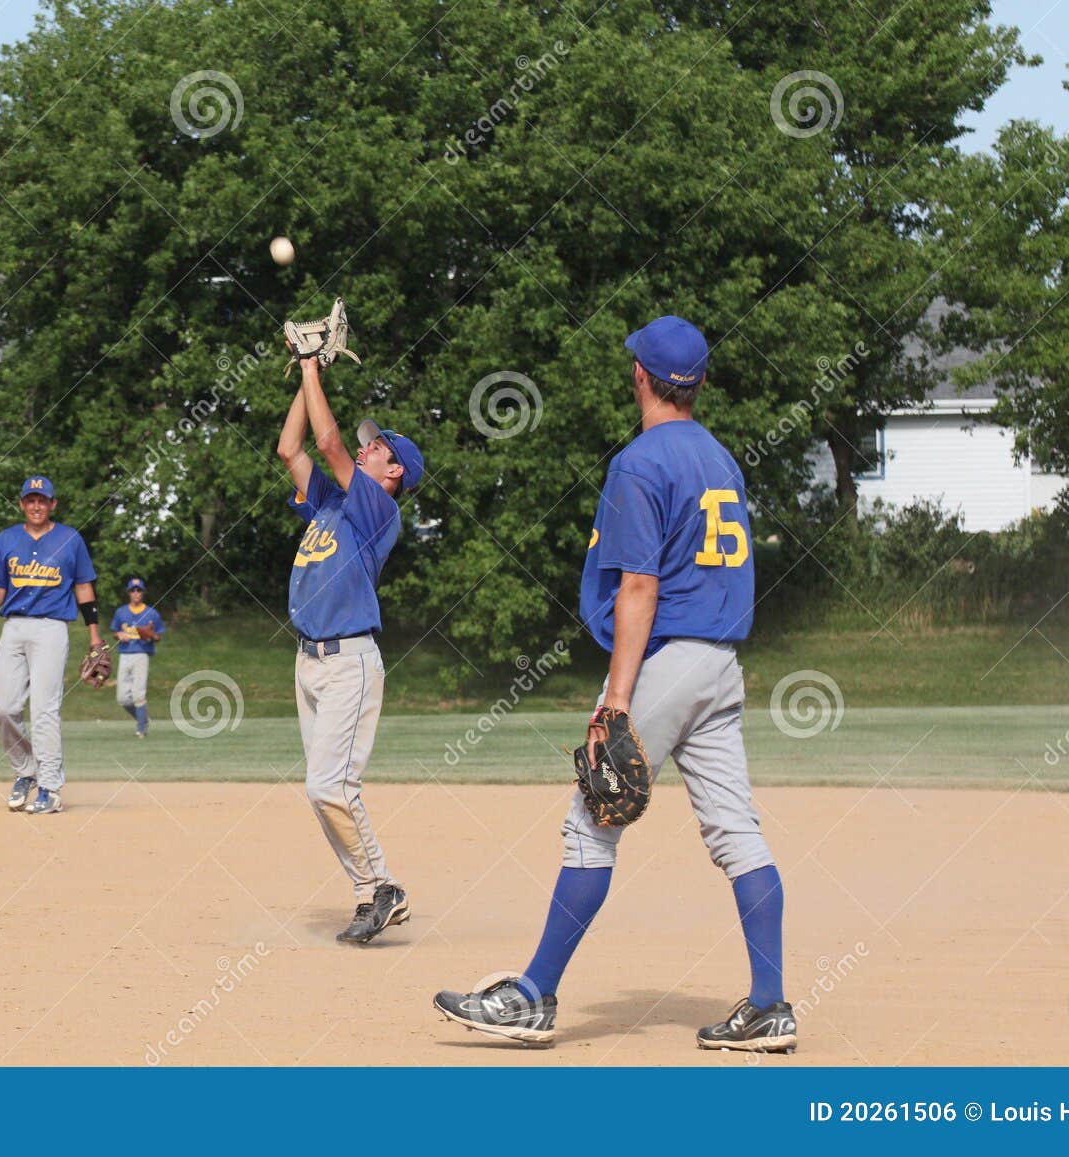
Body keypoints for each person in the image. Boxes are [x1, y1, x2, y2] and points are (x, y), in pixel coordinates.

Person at [433, 316, 793, 1052]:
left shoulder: (640, 461)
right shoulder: (721, 458)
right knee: (737, 831)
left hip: (666, 660)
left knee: (590, 818)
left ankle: (533, 994)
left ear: (640, 377)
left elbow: (638, 587)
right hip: (722, 664)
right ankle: (769, 1005)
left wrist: (618, 701)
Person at [275, 343, 425, 944]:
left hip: (349, 662)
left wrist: (314, 367)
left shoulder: (376, 510)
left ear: (393, 474)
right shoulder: (334, 502)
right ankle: (371, 895)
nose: (366, 447)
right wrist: (301, 378)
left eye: (378, 447)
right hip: (308, 660)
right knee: (324, 792)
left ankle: (384, 887)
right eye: (369, 441)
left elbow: (330, 444)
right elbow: (292, 448)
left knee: (328, 785)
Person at [0, 475, 105, 815]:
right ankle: (25, 772)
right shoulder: (7, 540)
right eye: (30, 499)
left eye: (42, 500)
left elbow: (84, 588)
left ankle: (49, 787)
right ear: (22, 504)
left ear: (52, 504)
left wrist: (94, 634)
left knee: (45, 710)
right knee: (5, 706)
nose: (36, 505)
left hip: (52, 628)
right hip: (13, 626)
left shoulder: (70, 539)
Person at [110, 578, 164, 738]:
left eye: (138, 590)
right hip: (124, 654)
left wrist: (151, 636)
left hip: (141, 654)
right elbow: (115, 631)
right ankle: (144, 719)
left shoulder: (151, 613)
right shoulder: (121, 612)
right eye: (132, 590)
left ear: (143, 592)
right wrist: (118, 634)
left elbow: (158, 635)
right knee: (122, 698)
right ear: (128, 593)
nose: (135, 593)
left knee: (138, 693)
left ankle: (141, 729)